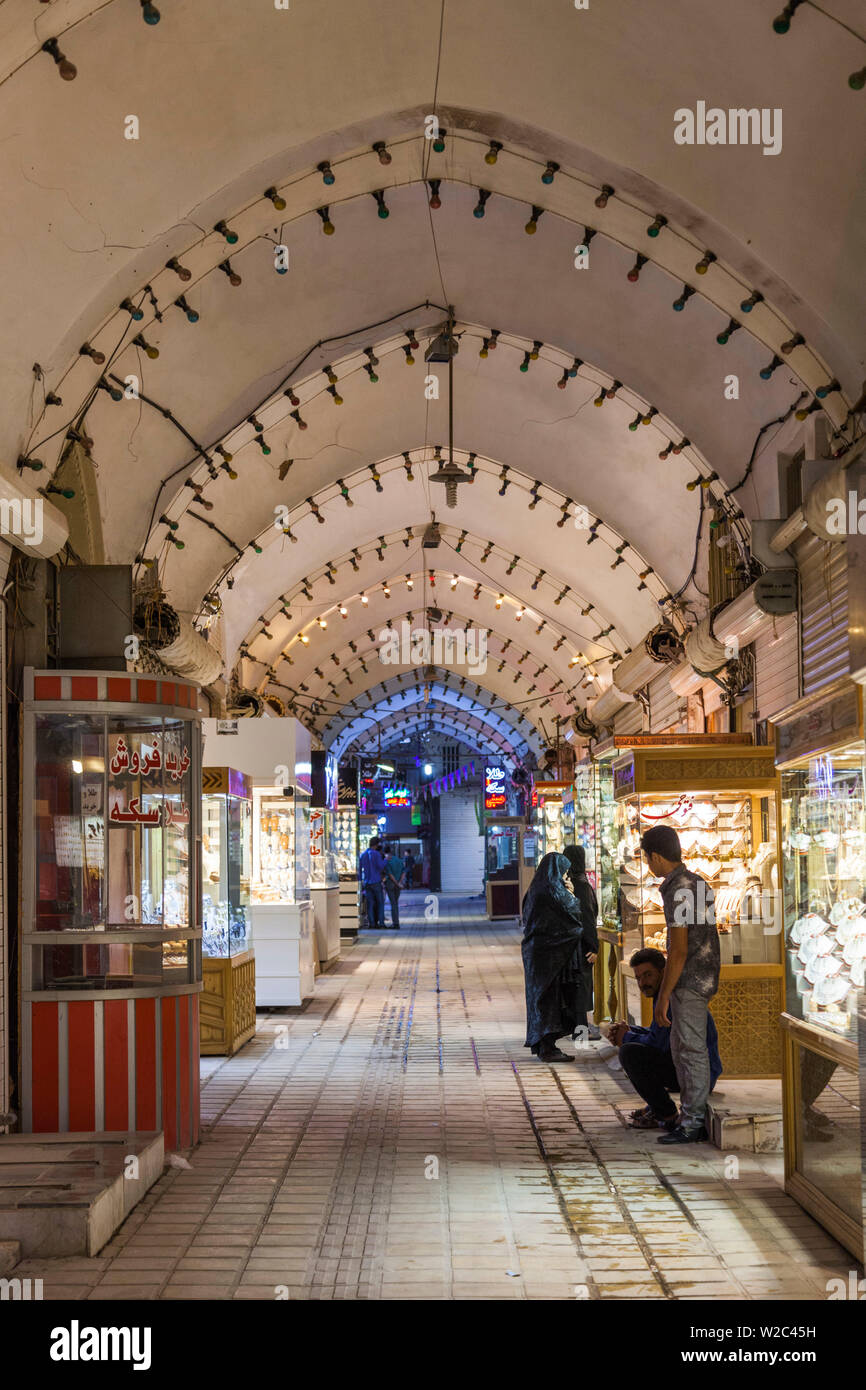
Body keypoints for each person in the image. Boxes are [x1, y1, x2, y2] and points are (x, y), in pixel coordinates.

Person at [640, 824, 720, 1144]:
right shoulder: (698, 882)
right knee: (684, 1047)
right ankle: (689, 1116)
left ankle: (692, 1121)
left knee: (690, 1050)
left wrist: (663, 996)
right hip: (702, 976)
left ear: (657, 857)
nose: (648, 865)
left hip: (690, 979)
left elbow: (679, 949)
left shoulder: (678, 889)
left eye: (647, 858)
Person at [609, 948, 722, 1131]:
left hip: (699, 1075)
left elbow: (658, 1045)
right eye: (638, 978)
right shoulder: (662, 994)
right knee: (632, 1047)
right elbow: (658, 1034)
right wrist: (629, 1031)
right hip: (683, 1066)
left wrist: (626, 1036)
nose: (643, 983)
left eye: (648, 975)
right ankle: (655, 1107)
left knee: (630, 1054)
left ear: (663, 972)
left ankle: (667, 1114)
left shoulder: (671, 997)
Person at [521, 852, 585, 1062]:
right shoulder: (553, 890)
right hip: (549, 956)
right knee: (550, 1000)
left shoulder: (535, 888)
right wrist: (573, 894)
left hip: (537, 953)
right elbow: (573, 911)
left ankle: (543, 1044)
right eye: (564, 872)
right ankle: (548, 1047)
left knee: (540, 999)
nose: (566, 876)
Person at [561, 845, 601, 1041]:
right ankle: (581, 1032)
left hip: (572, 944)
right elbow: (587, 918)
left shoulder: (570, 883)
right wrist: (593, 946)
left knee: (578, 988)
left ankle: (579, 1029)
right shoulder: (581, 885)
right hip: (582, 945)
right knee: (582, 988)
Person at [359, 836, 387, 929]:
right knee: (380, 903)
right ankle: (381, 923)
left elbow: (359, 869)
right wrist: (386, 860)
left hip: (367, 882)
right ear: (376, 844)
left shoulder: (363, 855)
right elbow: (380, 866)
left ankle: (372, 924)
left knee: (370, 904)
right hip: (376, 882)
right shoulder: (376, 854)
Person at [383, 843, 405, 929]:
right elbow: (403, 872)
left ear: (385, 853)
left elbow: (390, 874)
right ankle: (396, 922)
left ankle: (396, 924)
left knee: (393, 904)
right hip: (398, 886)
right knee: (395, 903)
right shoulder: (399, 860)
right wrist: (399, 882)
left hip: (391, 885)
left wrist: (396, 883)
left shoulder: (387, 861)